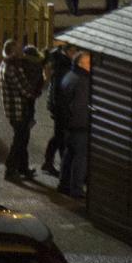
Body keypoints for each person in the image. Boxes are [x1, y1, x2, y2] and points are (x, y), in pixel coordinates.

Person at [1, 44, 41, 184]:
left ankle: (23, 168)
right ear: (12, 51)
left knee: (22, 139)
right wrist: (43, 82)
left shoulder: (6, 64)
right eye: (18, 50)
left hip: (14, 109)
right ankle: (10, 169)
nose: (21, 53)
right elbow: (25, 90)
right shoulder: (12, 68)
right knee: (19, 140)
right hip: (18, 109)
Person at [58, 53, 91, 198]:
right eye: (89, 63)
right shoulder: (82, 81)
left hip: (68, 124)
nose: (91, 65)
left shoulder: (69, 76)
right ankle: (76, 189)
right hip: (79, 126)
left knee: (69, 155)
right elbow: (80, 106)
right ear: (81, 64)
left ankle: (63, 185)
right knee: (80, 158)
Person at [39, 46, 72, 177]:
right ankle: (53, 163)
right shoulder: (63, 69)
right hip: (60, 108)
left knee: (59, 136)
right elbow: (60, 93)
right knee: (60, 136)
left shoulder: (58, 68)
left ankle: (54, 162)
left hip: (56, 107)